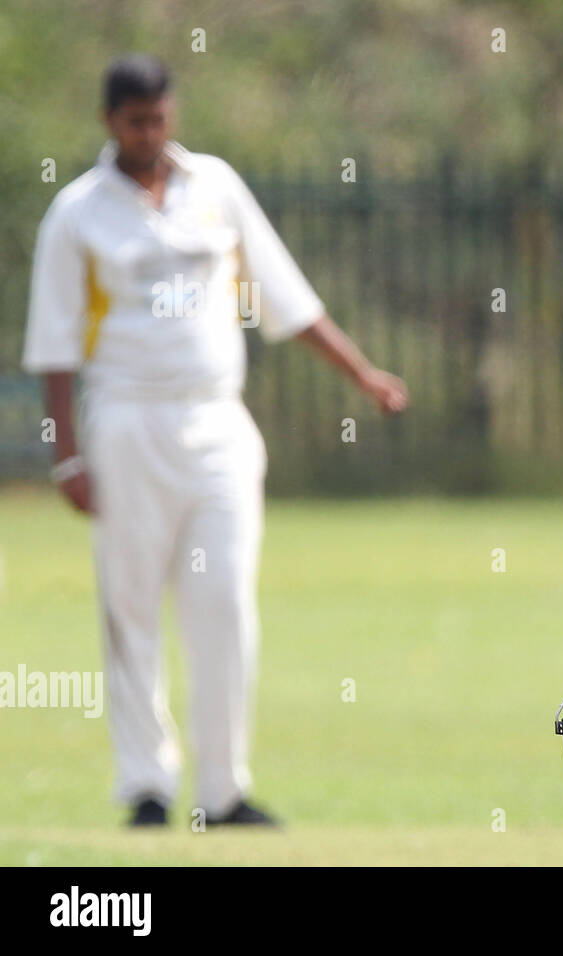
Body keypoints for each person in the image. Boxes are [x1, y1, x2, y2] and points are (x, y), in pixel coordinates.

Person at [21, 54, 409, 828]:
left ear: (173, 112)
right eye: (135, 121)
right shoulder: (79, 211)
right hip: (129, 421)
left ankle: (222, 790)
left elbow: (285, 299)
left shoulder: (216, 188)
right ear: (110, 122)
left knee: (224, 602)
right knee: (130, 606)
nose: (150, 133)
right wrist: (67, 455)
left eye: (160, 117)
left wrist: (361, 373)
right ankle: (146, 788)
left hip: (218, 423)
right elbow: (56, 346)